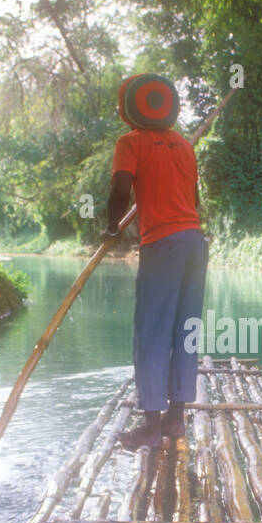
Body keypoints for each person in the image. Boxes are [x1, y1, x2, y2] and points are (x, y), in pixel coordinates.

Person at [105, 73, 208, 450]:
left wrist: (111, 227)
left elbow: (120, 188)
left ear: (129, 108)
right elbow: (192, 201)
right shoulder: (183, 145)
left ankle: (150, 425)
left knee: (150, 332)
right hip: (194, 242)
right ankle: (176, 419)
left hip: (162, 243)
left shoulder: (130, 142)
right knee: (185, 330)